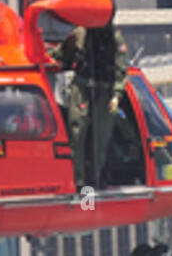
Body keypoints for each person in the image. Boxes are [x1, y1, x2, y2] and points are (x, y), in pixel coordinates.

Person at [48, 20, 129, 188]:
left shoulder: (115, 38)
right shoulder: (80, 33)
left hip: (104, 92)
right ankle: (79, 180)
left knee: (101, 135)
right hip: (82, 88)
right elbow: (63, 53)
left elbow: (121, 69)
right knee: (77, 130)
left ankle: (95, 178)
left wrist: (116, 95)